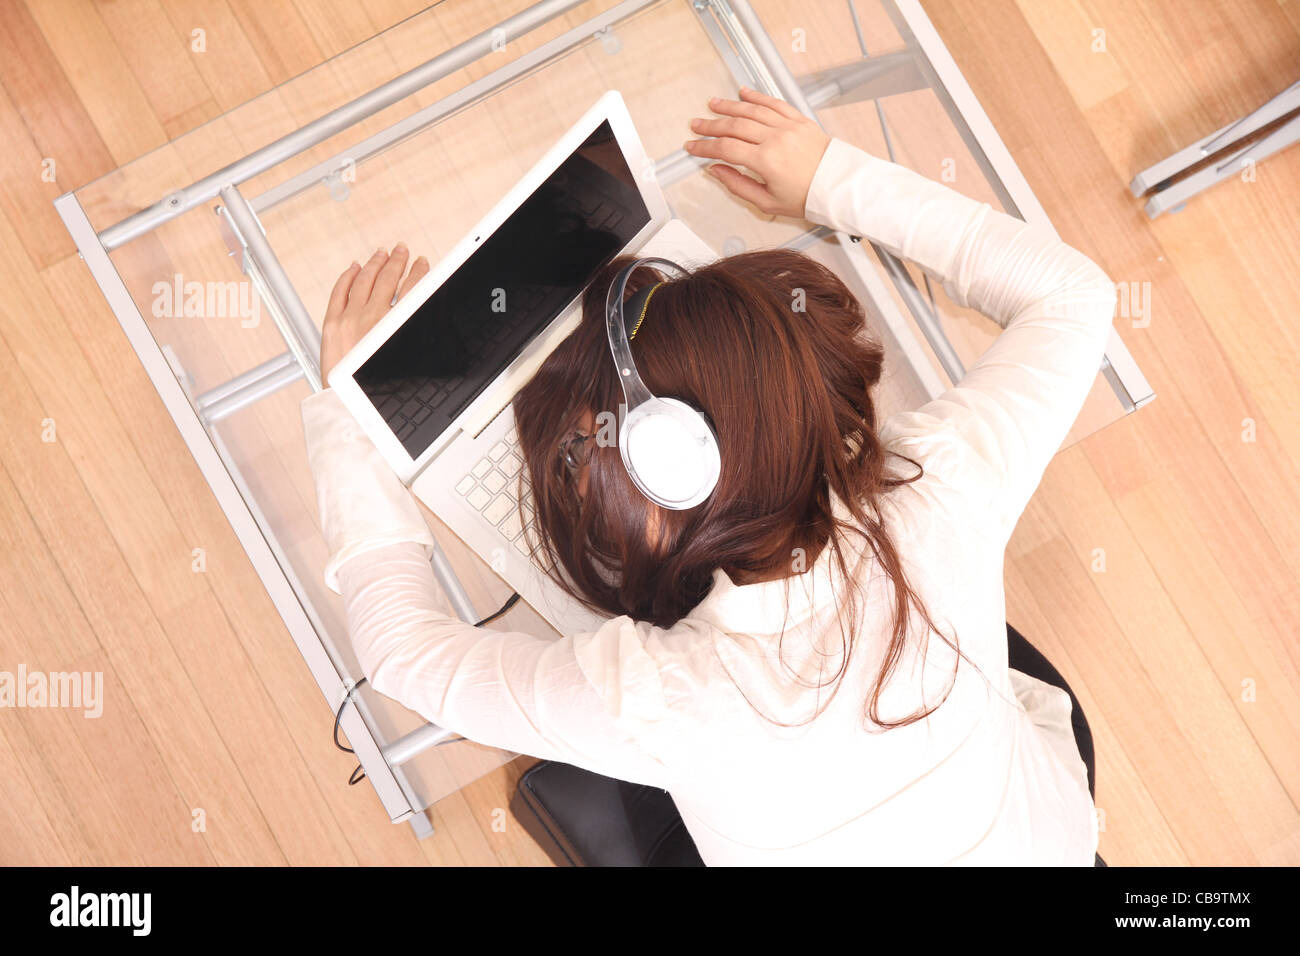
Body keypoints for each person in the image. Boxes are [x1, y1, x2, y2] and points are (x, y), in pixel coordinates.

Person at [301, 87, 1115, 865]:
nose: (581, 462)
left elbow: (406, 656)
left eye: (588, 450)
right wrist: (831, 177)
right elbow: (1072, 297)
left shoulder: (661, 701)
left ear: (672, 464)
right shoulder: (936, 493)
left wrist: (350, 419)